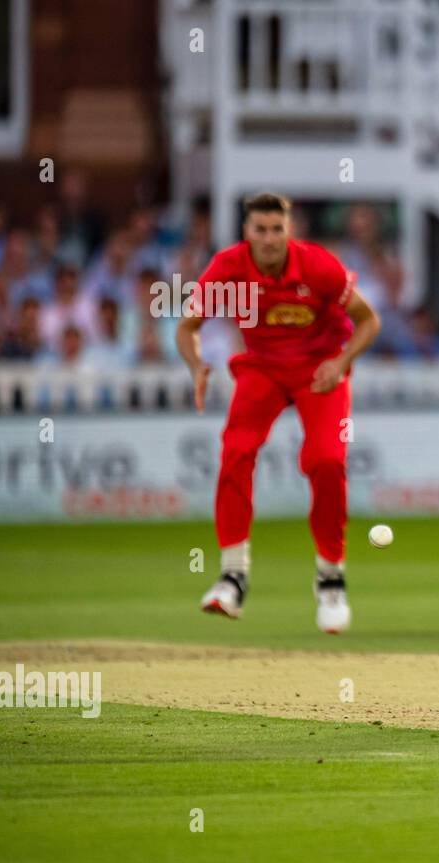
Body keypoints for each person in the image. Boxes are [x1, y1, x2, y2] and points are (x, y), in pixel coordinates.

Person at [175, 193, 382, 634]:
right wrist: (196, 365)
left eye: (276, 229)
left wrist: (341, 362)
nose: (269, 239)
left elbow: (369, 321)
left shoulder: (318, 265)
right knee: (236, 451)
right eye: (260, 230)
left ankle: (331, 578)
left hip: (320, 369)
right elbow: (187, 325)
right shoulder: (228, 268)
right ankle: (233, 576)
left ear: (289, 231)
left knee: (326, 460)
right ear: (246, 233)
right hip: (263, 368)